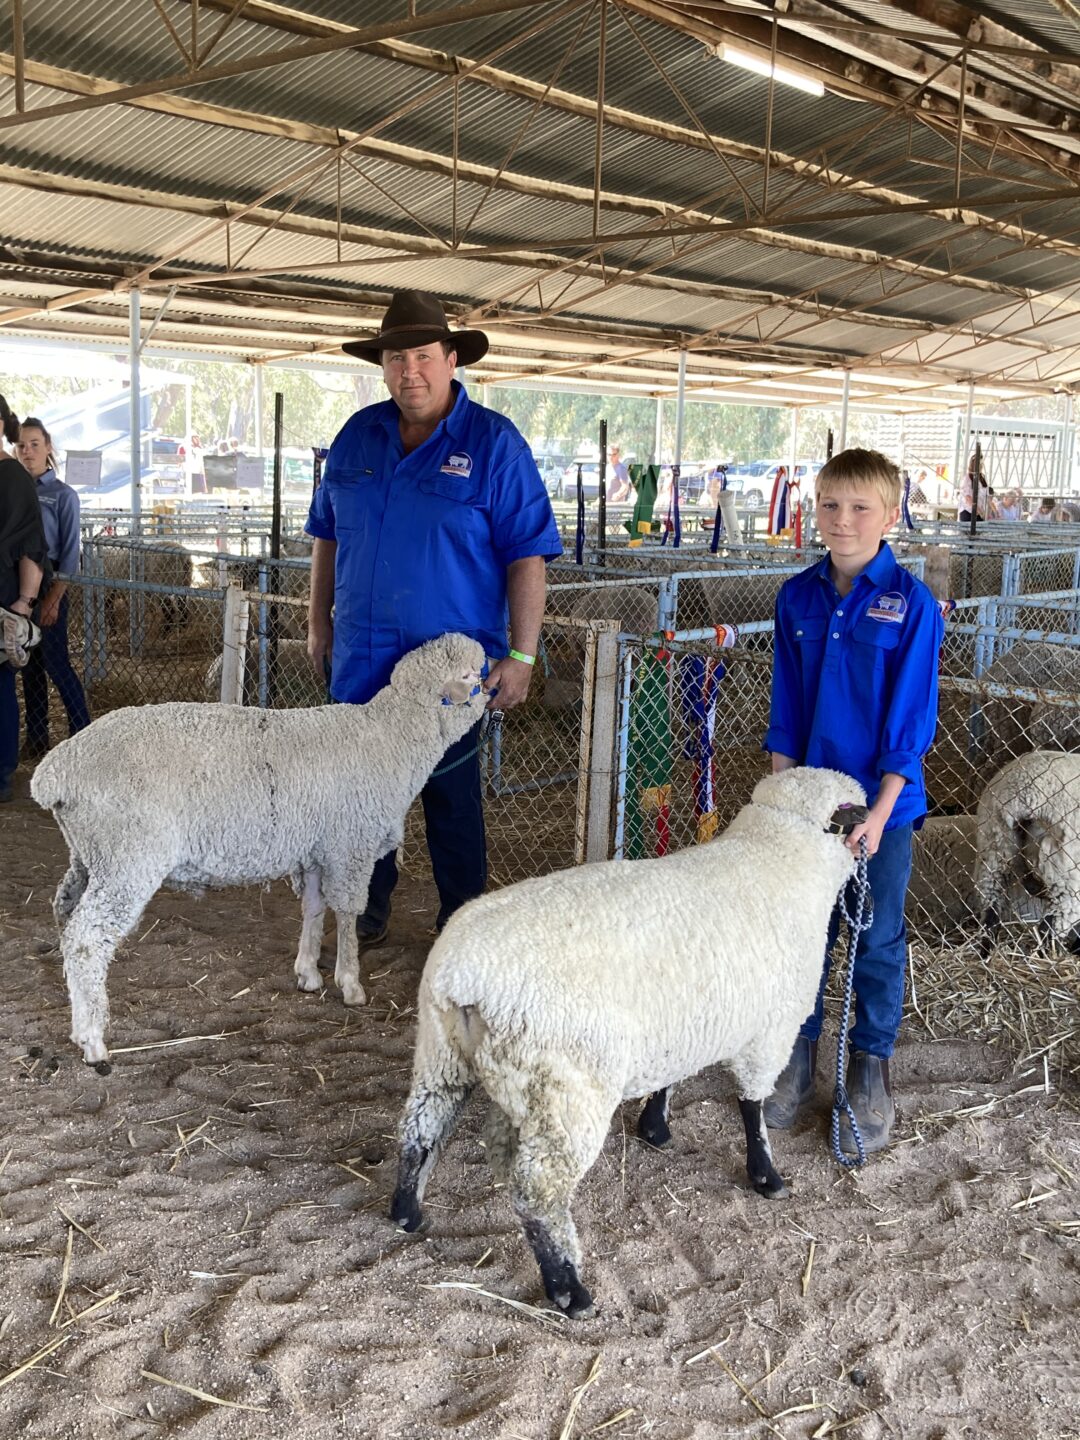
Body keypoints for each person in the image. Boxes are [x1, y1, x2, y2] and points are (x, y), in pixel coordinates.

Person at [306, 290, 562, 944]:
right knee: (363, 798)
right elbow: (326, 537)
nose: (408, 372)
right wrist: (317, 623)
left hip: (450, 672)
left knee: (451, 800)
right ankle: (364, 912)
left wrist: (523, 654)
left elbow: (528, 554)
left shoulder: (494, 444)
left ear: (451, 359)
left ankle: (462, 924)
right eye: (395, 358)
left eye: (423, 355)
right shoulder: (356, 437)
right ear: (382, 365)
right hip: (363, 660)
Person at [762, 448, 944, 1152]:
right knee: (806, 928)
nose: (842, 520)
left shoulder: (911, 604)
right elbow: (787, 703)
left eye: (860, 507)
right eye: (830, 505)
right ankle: (797, 1053)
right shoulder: (798, 597)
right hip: (810, 801)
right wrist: (782, 792)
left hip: (880, 808)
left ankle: (869, 1066)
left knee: (874, 934)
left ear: (890, 516)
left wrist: (877, 811)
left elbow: (911, 719)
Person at [15, 418, 91, 758]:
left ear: (48, 447)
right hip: (17, 585)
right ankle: (37, 736)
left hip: (50, 582)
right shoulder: (15, 493)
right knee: (28, 665)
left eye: (34, 444)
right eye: (21, 446)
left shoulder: (62, 496)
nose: (27, 451)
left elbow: (71, 553)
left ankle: (82, 734)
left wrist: (54, 597)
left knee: (57, 663)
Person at [0, 394, 47, 802]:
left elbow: (32, 545)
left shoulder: (13, 478)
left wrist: (25, 603)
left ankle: (0, 774)